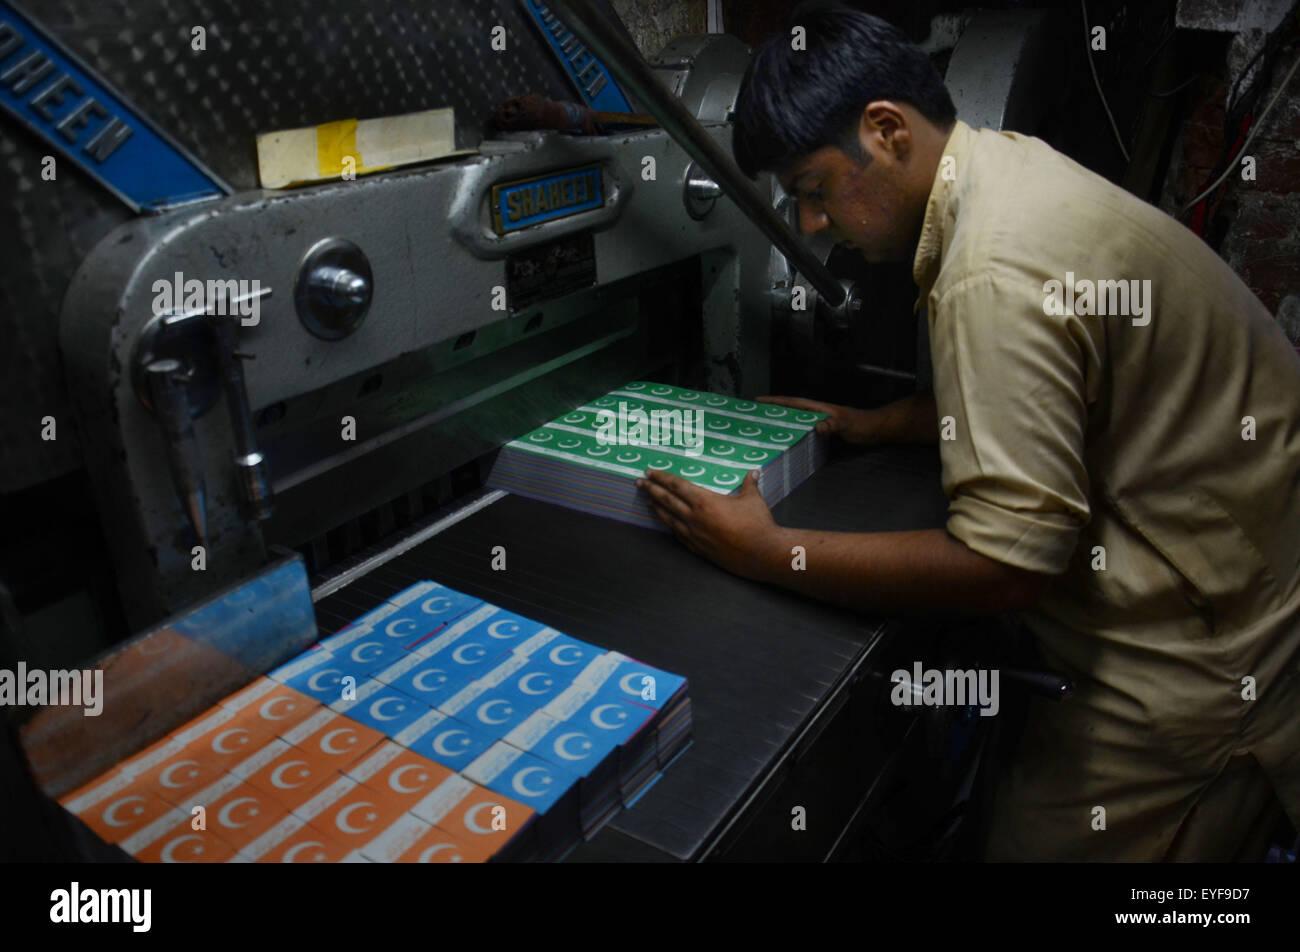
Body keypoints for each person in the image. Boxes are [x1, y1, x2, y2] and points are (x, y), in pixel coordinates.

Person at [636, 3, 1300, 861]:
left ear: (885, 131)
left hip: (1208, 656)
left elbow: (1005, 566)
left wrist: (764, 548)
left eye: (811, 191)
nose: (808, 226)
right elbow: (1063, 389)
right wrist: (876, 426)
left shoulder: (996, 269)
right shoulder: (1006, 172)